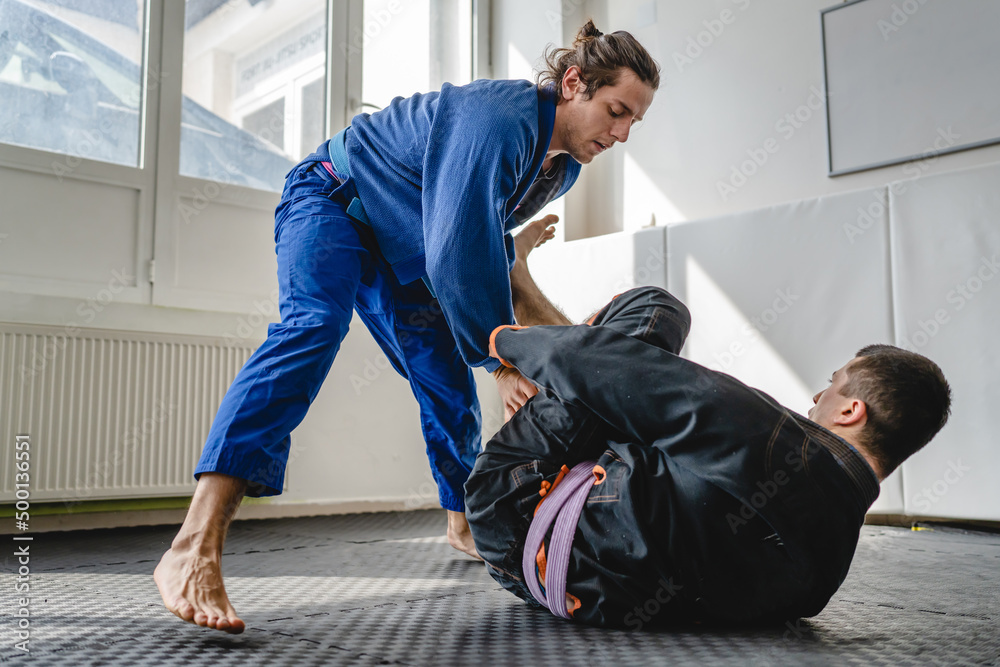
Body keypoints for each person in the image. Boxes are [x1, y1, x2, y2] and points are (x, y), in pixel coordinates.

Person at [154, 21, 660, 634]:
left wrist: (561, 346)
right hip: (333, 199)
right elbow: (460, 251)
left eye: (634, 122)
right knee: (313, 327)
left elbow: (485, 245)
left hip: (404, 242)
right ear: (574, 83)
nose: (621, 134)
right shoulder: (500, 119)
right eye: (616, 111)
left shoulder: (561, 170)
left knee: (446, 377)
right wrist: (501, 359)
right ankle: (194, 545)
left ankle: (462, 522)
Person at [466, 283, 952, 629]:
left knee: (656, 311)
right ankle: (523, 278)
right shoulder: (830, 570)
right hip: (549, 586)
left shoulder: (769, 436)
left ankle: (516, 281)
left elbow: (597, 365)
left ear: (850, 411)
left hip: (510, 505)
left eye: (832, 385)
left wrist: (502, 346)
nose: (815, 399)